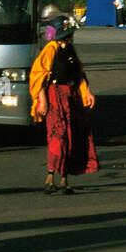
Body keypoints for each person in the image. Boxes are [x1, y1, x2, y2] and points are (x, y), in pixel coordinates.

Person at [29, 15, 98, 195]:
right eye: (68, 33)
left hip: (71, 97)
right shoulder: (50, 49)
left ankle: (65, 180)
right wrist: (42, 99)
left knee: (72, 137)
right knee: (57, 136)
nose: (70, 36)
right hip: (55, 96)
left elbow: (79, 74)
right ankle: (50, 176)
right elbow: (39, 76)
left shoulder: (71, 50)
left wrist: (87, 92)